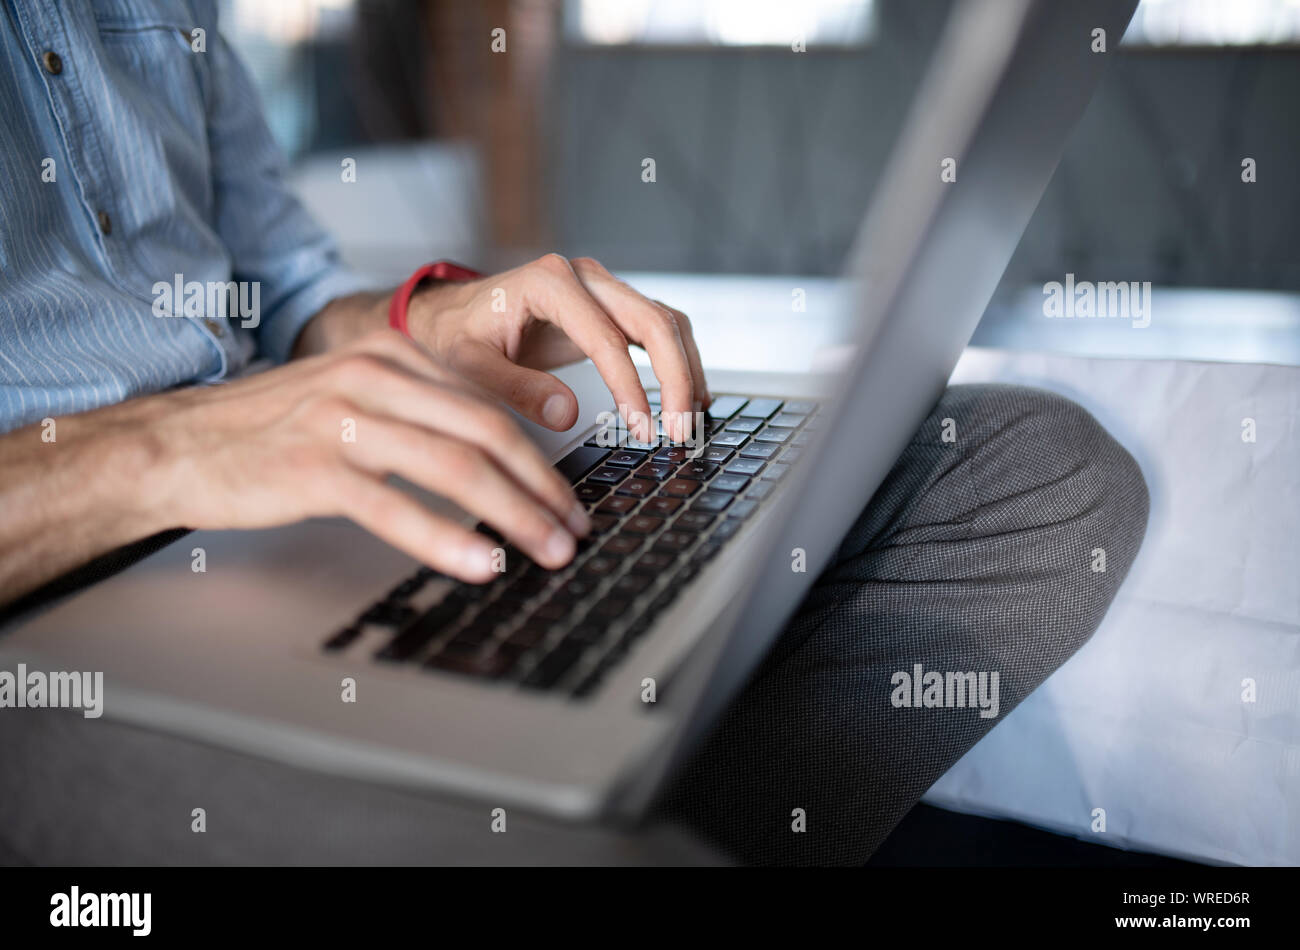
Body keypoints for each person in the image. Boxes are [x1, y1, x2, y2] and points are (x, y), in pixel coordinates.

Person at [0, 3, 1148, 865]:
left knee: (1039, 481)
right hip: (43, 626)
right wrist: (157, 448)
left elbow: (286, 291)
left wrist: (428, 317)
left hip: (294, 500)